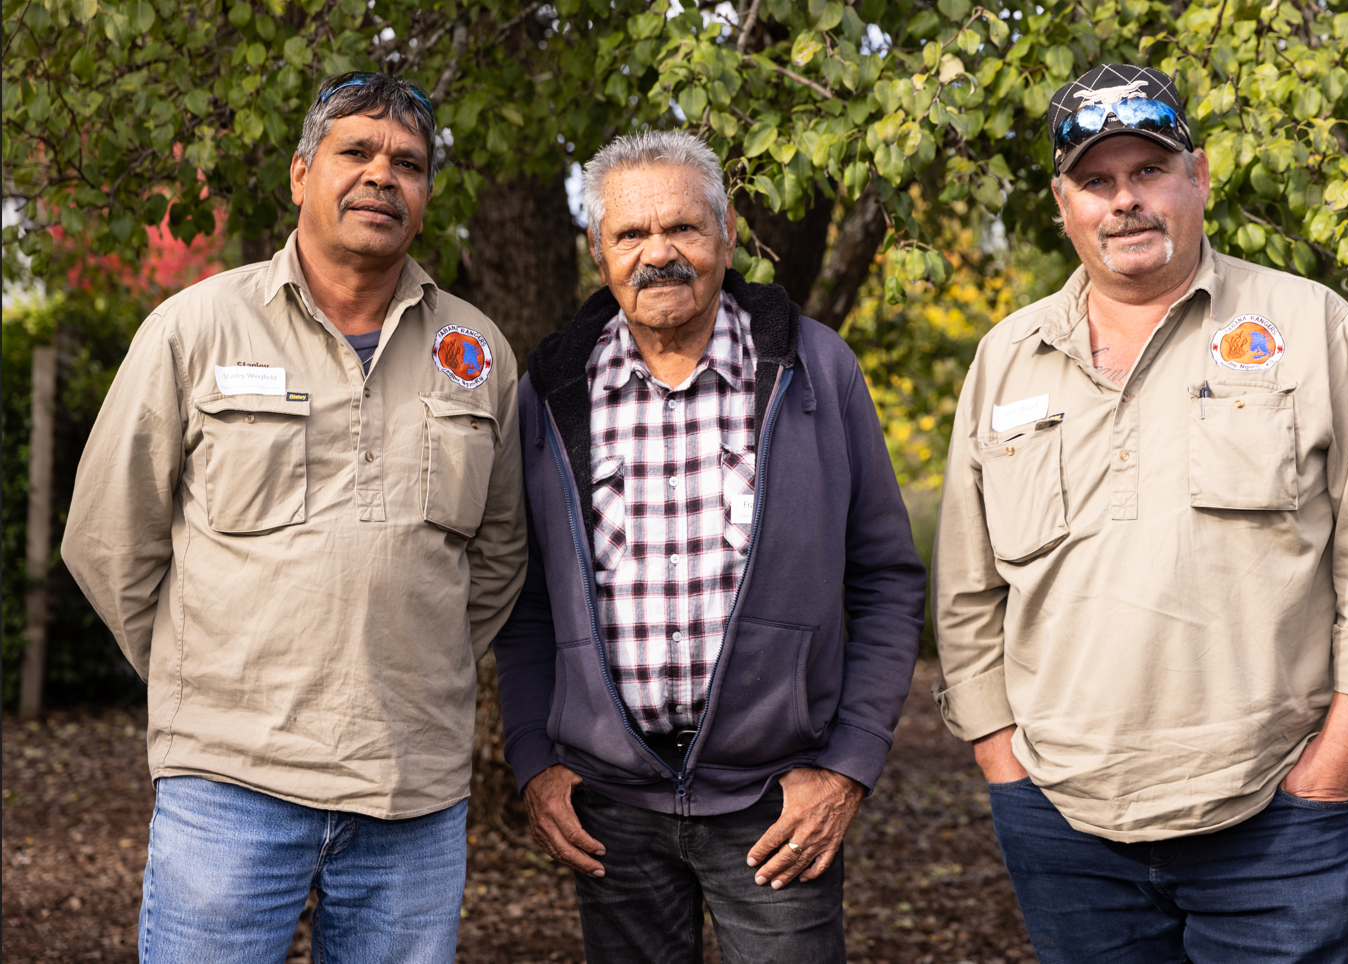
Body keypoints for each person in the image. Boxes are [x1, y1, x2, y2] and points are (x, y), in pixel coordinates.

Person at [932, 63, 1348, 962]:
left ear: (1198, 177)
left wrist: (1337, 761)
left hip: (1271, 812)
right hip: (1062, 819)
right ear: (1063, 205)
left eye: (1148, 172)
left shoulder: (1308, 324)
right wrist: (999, 758)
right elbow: (965, 583)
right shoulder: (1006, 358)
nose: (1122, 202)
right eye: (1095, 181)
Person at [60, 73, 526, 964]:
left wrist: (412, 660)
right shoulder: (195, 327)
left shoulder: (476, 351)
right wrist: (200, 673)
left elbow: (499, 552)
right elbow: (109, 535)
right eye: (356, 153)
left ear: (426, 197)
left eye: (408, 164)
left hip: (411, 794)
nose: (382, 177)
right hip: (230, 782)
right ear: (300, 174)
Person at [491, 130, 925, 963]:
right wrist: (533, 760)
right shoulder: (549, 391)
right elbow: (525, 600)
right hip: (606, 805)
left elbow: (886, 581)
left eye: (684, 230)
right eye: (630, 235)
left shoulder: (813, 368)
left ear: (726, 236)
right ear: (597, 251)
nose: (660, 254)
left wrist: (846, 767)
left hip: (777, 801)